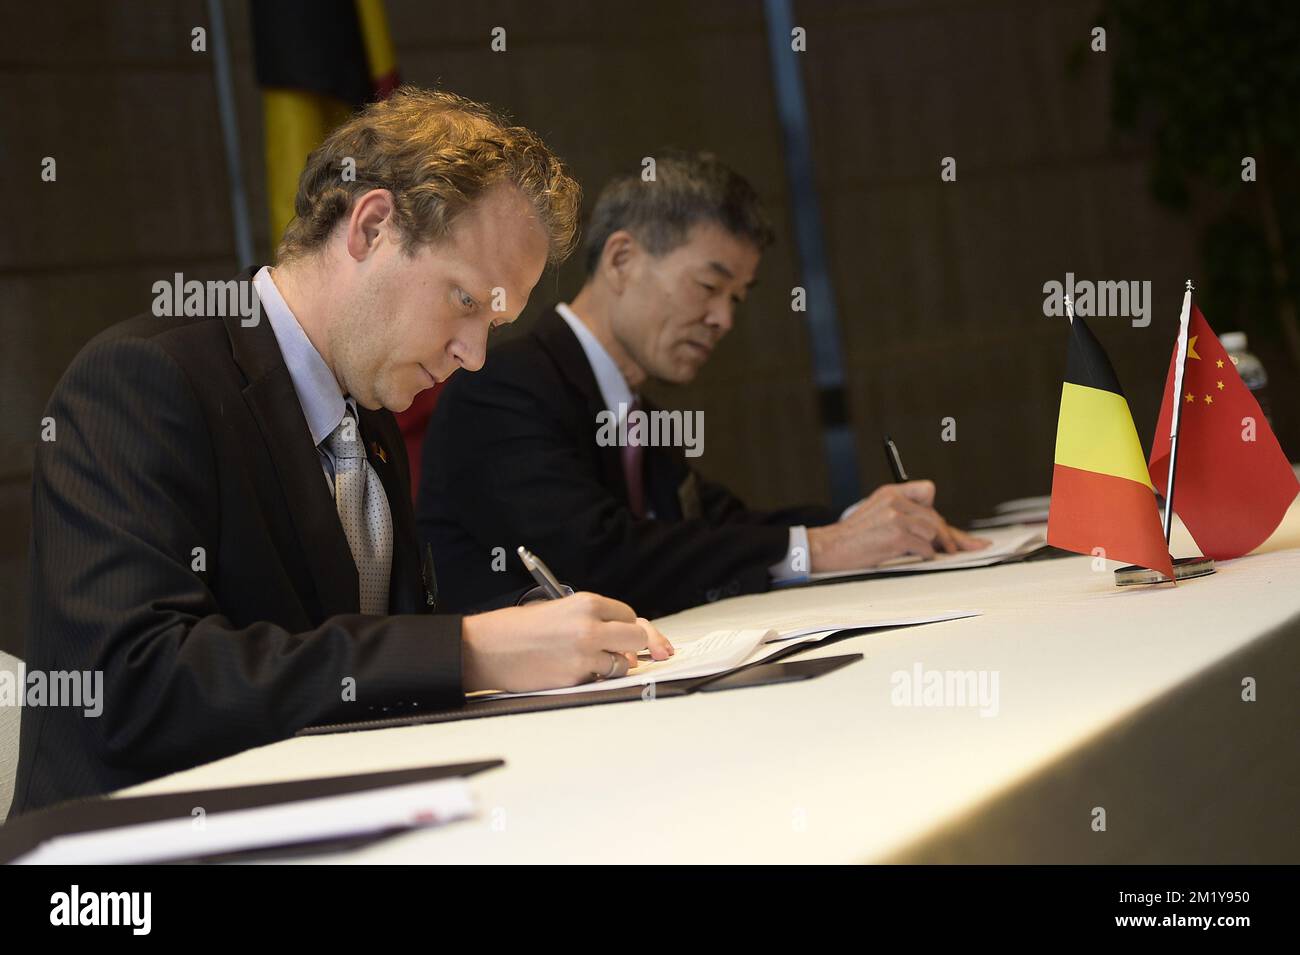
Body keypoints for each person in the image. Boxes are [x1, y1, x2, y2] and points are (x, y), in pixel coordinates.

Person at [12, 88, 671, 814]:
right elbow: (134, 687)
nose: (474, 355)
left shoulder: (368, 404)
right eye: (463, 301)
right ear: (372, 227)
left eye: (495, 320)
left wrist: (528, 631)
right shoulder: (145, 378)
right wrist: (472, 649)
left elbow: (345, 645)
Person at [418, 153, 986, 618]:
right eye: (708, 286)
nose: (724, 320)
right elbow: (595, 560)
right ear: (622, 259)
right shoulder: (501, 388)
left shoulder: (629, 404)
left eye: (736, 298)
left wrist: (865, 523)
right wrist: (824, 546)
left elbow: (718, 525)